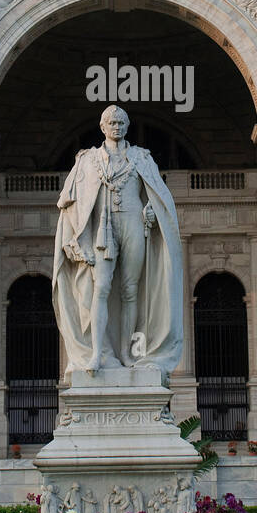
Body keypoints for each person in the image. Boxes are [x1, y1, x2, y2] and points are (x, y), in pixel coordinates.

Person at [52, 105, 182, 378]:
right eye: (111, 122)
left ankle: (128, 353)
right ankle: (98, 352)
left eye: (121, 123)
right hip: (103, 229)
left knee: (131, 290)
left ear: (127, 126)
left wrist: (152, 209)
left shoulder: (141, 157)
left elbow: (159, 194)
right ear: (102, 127)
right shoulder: (87, 160)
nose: (117, 127)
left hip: (133, 223)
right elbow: (67, 199)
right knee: (101, 287)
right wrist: (75, 236)